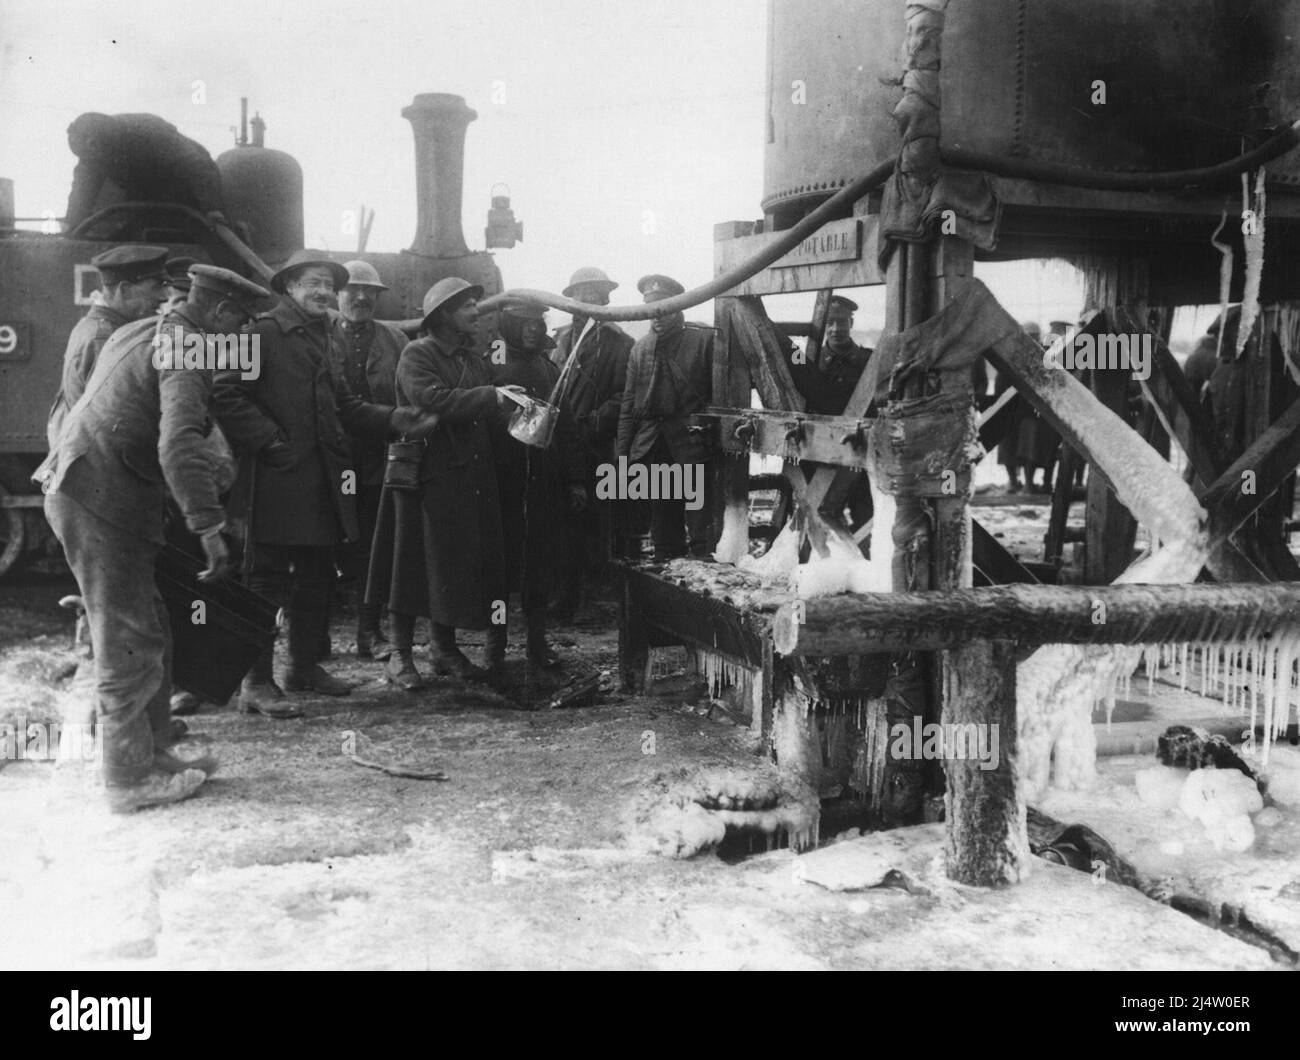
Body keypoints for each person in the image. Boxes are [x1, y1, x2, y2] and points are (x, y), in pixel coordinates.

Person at [34, 265, 269, 811]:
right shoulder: (185, 349)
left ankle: (156, 748)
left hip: (99, 493)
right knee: (127, 639)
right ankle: (127, 778)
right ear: (218, 313)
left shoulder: (144, 329)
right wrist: (208, 523)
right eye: (240, 321)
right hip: (100, 502)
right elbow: (177, 444)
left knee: (153, 625)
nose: (242, 335)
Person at [212, 250, 438, 716]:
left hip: (321, 483)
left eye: (326, 284)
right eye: (312, 282)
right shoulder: (259, 334)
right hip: (274, 483)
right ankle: (255, 682)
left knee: (316, 578)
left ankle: (301, 667)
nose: (322, 291)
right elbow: (224, 392)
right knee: (265, 582)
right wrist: (272, 442)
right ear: (290, 286)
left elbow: (347, 406)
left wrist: (397, 417)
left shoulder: (323, 340)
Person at [367, 278, 519, 689]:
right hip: (424, 477)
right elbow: (434, 401)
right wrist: (492, 395)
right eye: (468, 306)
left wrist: (518, 405)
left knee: (448, 567)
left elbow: (484, 410)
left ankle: (443, 649)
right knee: (409, 564)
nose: (476, 312)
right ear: (445, 315)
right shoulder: (417, 354)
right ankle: (399, 656)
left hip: (465, 480)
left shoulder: (472, 359)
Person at [489, 302, 585, 675]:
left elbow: (568, 427)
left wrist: (576, 479)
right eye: (522, 321)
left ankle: (536, 642)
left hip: (543, 481)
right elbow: (479, 414)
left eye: (536, 321)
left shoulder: (549, 367)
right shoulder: (493, 362)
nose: (531, 328)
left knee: (540, 565)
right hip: (503, 481)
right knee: (500, 568)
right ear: (509, 323)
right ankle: (495, 646)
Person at [326, 259, 406, 660]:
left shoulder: (394, 341)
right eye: (352, 290)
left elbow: (408, 396)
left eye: (369, 292)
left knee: (374, 546)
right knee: (324, 544)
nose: (361, 297)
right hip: (330, 458)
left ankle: (369, 631)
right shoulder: (320, 336)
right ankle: (314, 639)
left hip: (376, 458)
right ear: (337, 294)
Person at [549, 267, 633, 618]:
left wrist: (596, 420)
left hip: (598, 444)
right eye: (580, 295)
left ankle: (597, 597)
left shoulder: (621, 344)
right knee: (561, 519)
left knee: (597, 522)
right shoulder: (559, 341)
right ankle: (564, 594)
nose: (586, 301)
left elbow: (625, 395)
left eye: (594, 294)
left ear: (606, 299)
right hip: (562, 443)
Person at [616, 274, 716, 560]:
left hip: (692, 445)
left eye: (663, 307)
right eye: (650, 308)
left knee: (700, 530)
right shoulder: (640, 348)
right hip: (653, 445)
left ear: (678, 305)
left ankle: (704, 583)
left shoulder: (703, 339)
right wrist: (623, 457)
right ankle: (667, 575)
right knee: (664, 525)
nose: (656, 315)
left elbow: (721, 396)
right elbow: (628, 405)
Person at [47, 244, 168, 447]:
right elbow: (114, 423)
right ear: (126, 291)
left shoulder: (92, 326)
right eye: (156, 287)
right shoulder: (107, 339)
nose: (163, 297)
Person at [788, 294, 875, 528]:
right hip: (816, 451)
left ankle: (861, 561)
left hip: (858, 452)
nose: (836, 329)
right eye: (830, 322)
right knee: (815, 511)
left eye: (842, 322)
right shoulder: (807, 360)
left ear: (852, 324)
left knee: (864, 514)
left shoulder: (869, 361)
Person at [63, 112, 228, 233]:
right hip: (148, 197)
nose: (94, 155)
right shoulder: (92, 151)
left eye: (95, 147)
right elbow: (83, 188)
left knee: (208, 238)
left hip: (190, 193)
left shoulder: (149, 132)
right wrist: (72, 222)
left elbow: (197, 165)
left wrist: (212, 209)